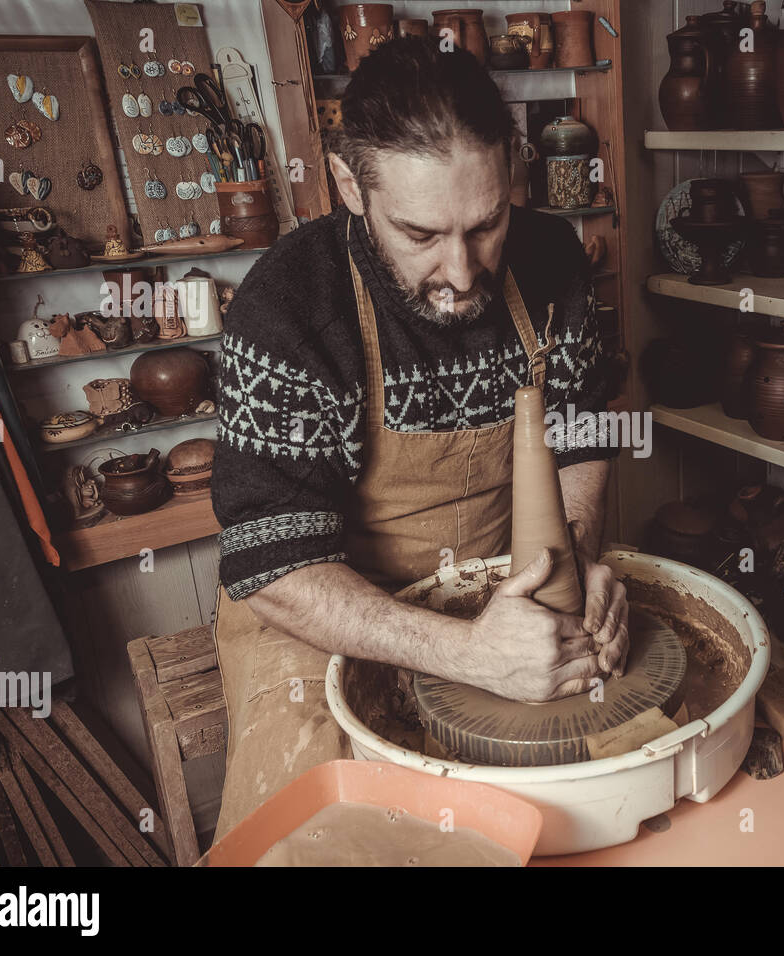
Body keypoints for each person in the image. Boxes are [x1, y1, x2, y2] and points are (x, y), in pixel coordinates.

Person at [210, 37, 627, 836]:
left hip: (503, 587)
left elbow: (580, 429)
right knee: (328, 831)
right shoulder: (291, 308)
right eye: (421, 234)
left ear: (511, 170)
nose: (464, 272)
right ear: (347, 184)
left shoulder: (549, 260)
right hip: (325, 615)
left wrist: (573, 561)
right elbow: (271, 562)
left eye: (486, 223)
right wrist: (466, 655)